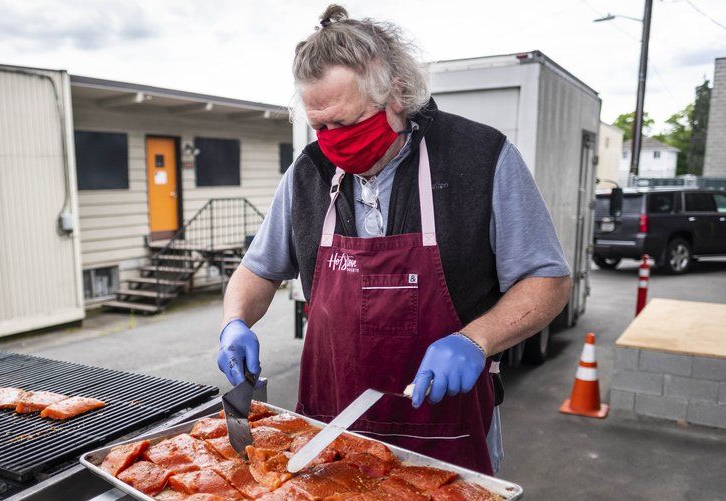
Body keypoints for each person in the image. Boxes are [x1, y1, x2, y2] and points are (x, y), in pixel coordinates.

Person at [217, 4, 571, 475]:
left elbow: (547, 279)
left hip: (445, 435)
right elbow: (257, 269)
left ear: (396, 94)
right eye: (320, 127)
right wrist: (234, 322)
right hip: (328, 437)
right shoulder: (308, 174)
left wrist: (475, 340)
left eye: (346, 124)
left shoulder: (480, 158)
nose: (333, 141)